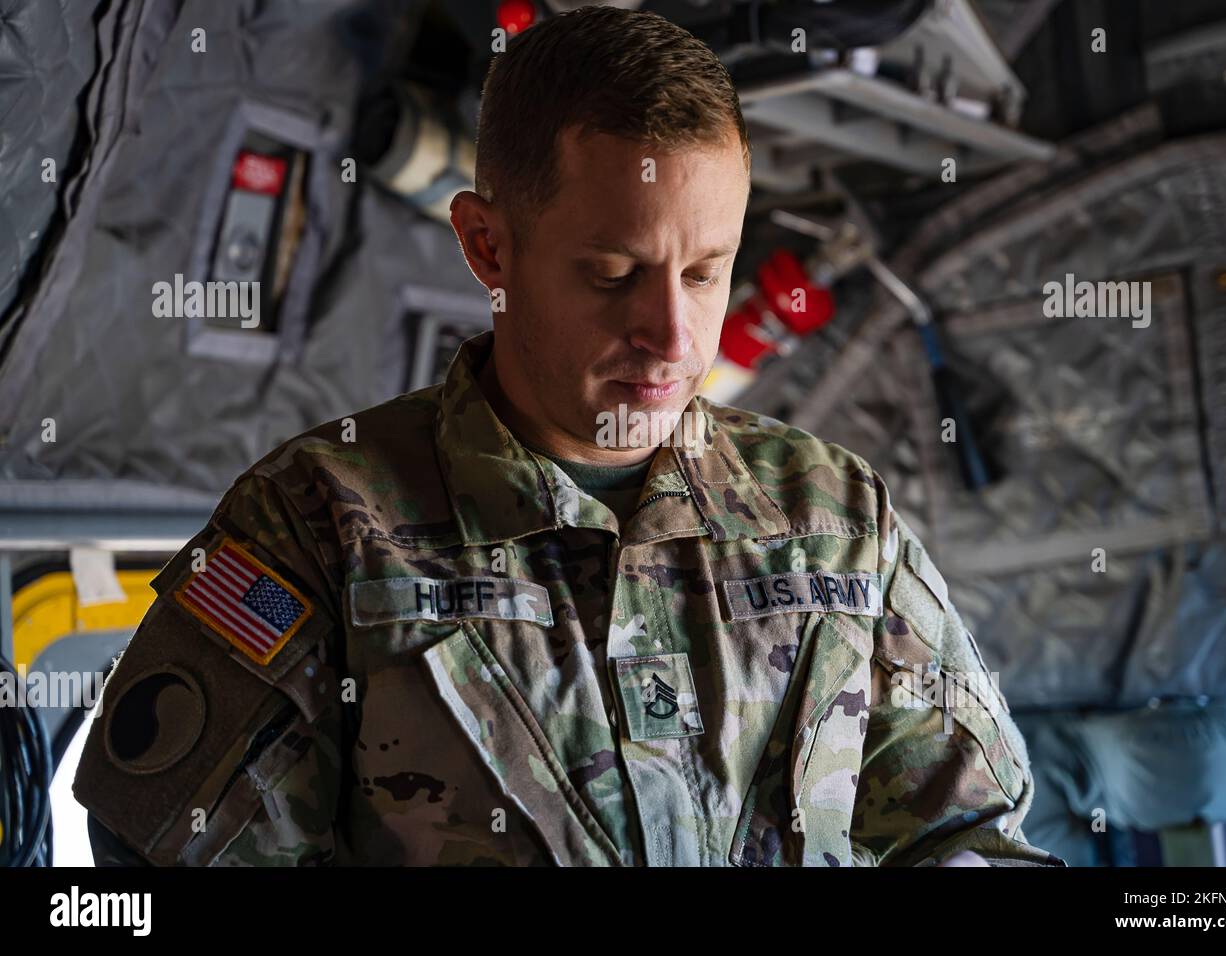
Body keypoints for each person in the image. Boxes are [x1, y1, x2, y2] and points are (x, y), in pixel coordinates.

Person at [75, 5, 1063, 867]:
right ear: (486, 246)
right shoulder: (320, 527)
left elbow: (966, 831)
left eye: (707, 270)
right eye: (613, 272)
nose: (674, 337)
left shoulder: (835, 517)